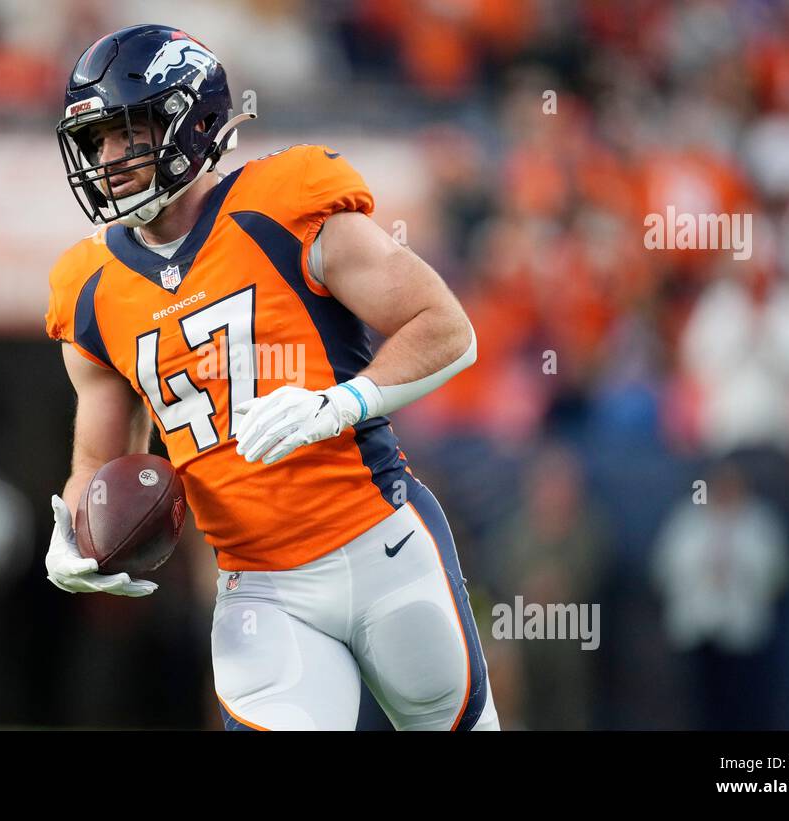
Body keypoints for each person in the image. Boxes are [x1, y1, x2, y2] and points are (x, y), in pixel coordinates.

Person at [42, 24, 497, 731]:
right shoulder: (89, 285)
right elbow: (99, 461)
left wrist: (343, 402)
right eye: (96, 140)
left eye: (126, 132)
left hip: (382, 544)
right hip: (259, 588)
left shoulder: (284, 203)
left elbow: (445, 328)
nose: (108, 158)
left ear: (187, 123)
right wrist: (75, 528)